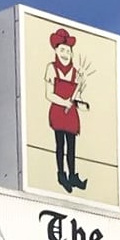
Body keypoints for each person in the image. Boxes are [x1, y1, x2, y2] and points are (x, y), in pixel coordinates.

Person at [44, 27, 88, 194]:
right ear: (56, 50)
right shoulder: (51, 68)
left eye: (68, 50)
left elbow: (78, 95)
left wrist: (81, 84)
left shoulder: (75, 72)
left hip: (71, 114)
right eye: (62, 50)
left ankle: (72, 175)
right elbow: (49, 94)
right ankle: (61, 174)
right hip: (58, 111)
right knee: (60, 144)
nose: (65, 53)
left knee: (72, 146)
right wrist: (63, 102)